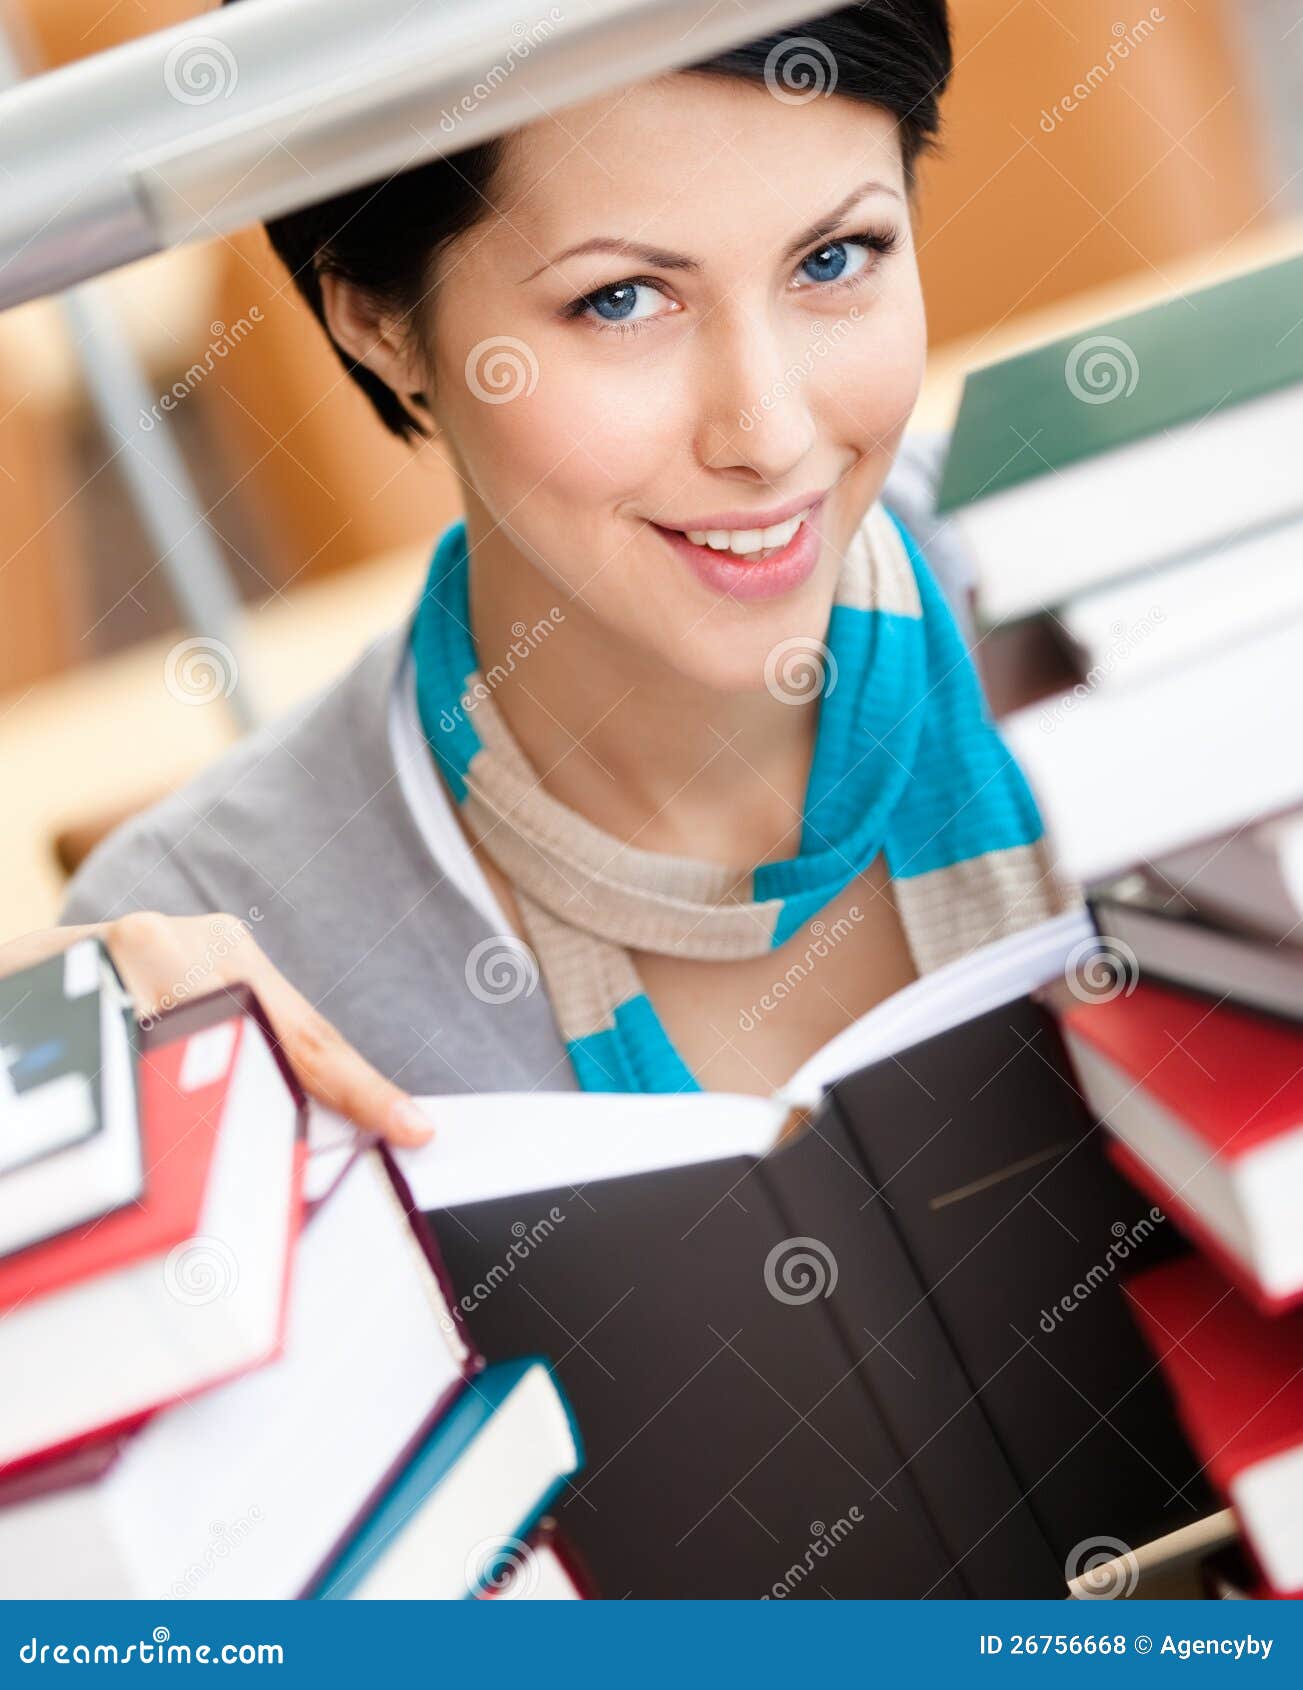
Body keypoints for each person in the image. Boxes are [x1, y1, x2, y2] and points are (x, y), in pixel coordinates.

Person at [7, 0, 1077, 1140]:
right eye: (619, 301)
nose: (765, 431)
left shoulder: (1163, 566)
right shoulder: (222, 939)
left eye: (835, 257)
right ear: (379, 321)